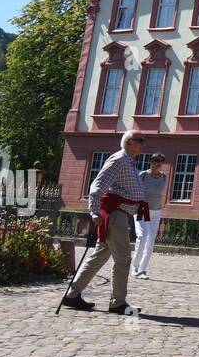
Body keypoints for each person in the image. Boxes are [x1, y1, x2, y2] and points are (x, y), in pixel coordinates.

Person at [61, 131, 150, 314]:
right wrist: (94, 211)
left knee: (98, 256)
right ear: (130, 142)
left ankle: (72, 294)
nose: (143, 144)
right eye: (140, 141)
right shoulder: (118, 159)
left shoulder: (129, 162)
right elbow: (97, 186)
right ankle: (118, 302)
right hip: (115, 215)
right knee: (124, 259)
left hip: (120, 215)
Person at [133, 153, 168, 279]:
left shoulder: (163, 176)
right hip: (142, 208)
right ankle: (135, 267)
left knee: (151, 240)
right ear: (151, 162)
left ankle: (142, 270)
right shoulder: (143, 175)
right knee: (143, 235)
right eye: (156, 160)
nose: (159, 163)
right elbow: (134, 190)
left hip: (156, 211)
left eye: (161, 161)